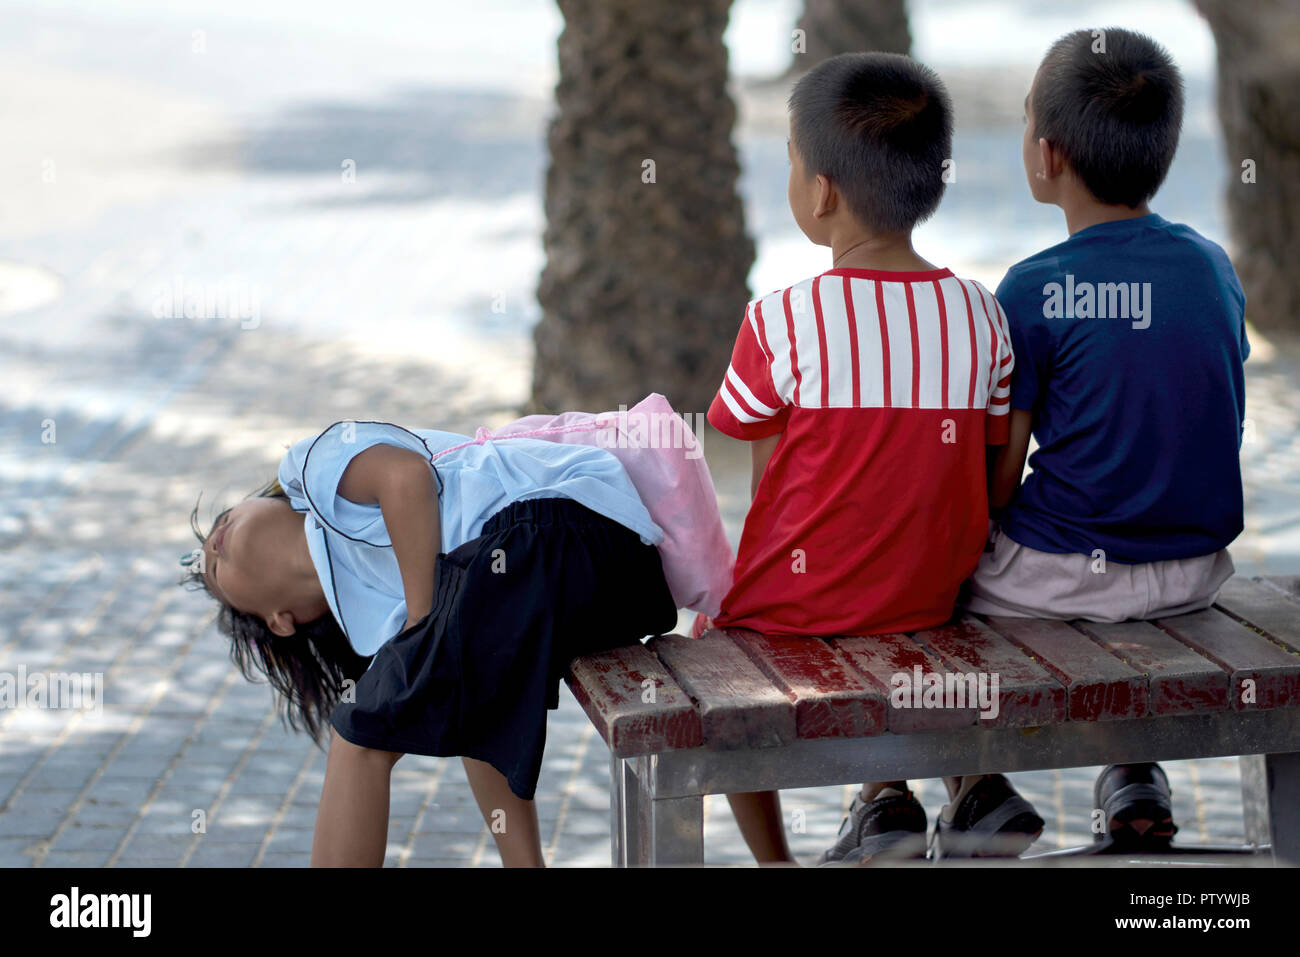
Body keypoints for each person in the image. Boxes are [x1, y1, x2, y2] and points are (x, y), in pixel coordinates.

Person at [704, 51, 1043, 865]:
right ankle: (928, 792)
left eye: (789, 160)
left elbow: (758, 469)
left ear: (820, 191)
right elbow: (991, 478)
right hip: (930, 594)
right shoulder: (981, 315)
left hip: (796, 604)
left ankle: (778, 861)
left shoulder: (782, 318)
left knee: (712, 636)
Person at [965, 28, 1249, 851]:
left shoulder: (1032, 287)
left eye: (1023, 123)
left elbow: (997, 483)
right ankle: (1132, 770)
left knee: (922, 588)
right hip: (1195, 571)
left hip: (1061, 579)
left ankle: (973, 784)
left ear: (1047, 155)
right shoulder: (1212, 265)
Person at [179, 419, 677, 866]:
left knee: (358, 735)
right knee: (433, 711)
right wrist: (423, 625)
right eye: (215, 571)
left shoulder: (310, 472)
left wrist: (424, 618)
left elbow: (405, 477)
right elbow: (476, 710)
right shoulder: (374, 619)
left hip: (563, 525)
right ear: (279, 621)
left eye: (222, 520)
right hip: (601, 579)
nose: (215, 542)